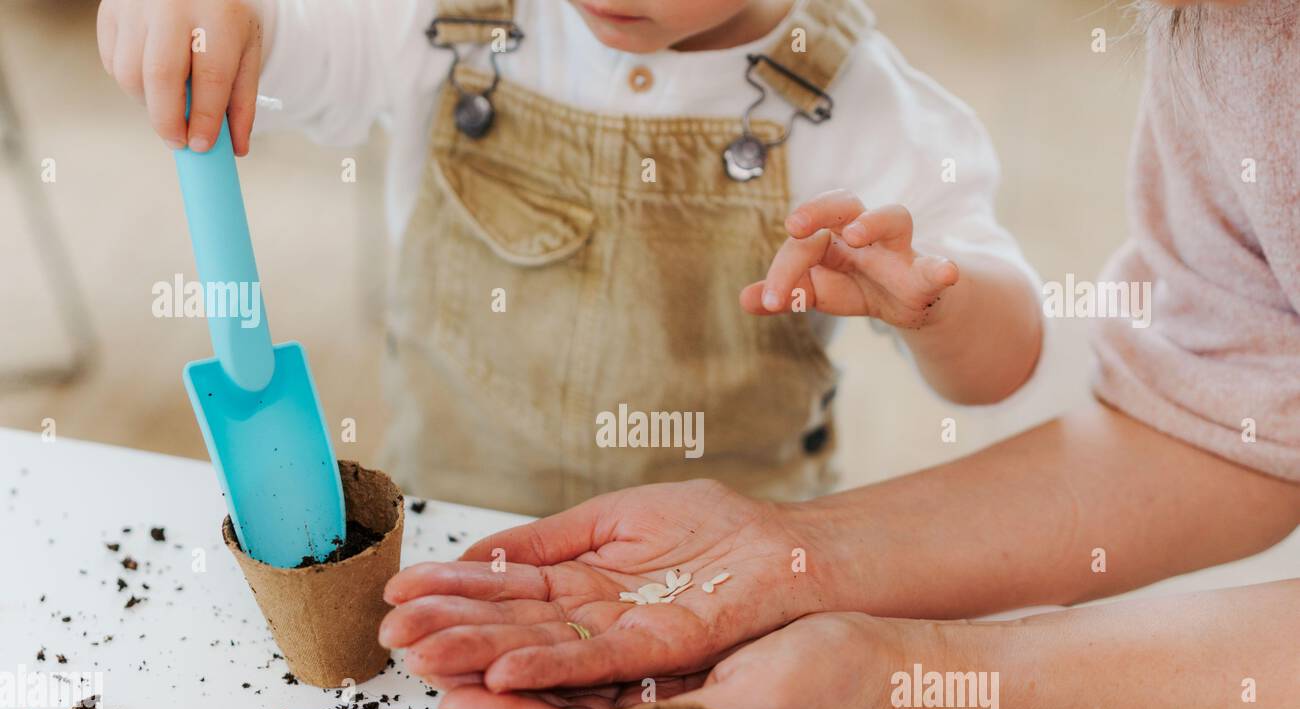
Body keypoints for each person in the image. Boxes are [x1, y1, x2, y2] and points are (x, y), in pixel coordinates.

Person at [379, 0, 1300, 709]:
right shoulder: (1227, 31)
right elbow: (1226, 413)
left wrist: (908, 674)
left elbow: (999, 353)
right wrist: (810, 568)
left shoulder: (859, 103)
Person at [97, 0, 1042, 516]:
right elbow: (280, 36)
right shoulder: (441, 18)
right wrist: (213, 17)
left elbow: (1002, 361)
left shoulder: (861, 104)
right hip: (457, 534)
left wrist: (940, 309)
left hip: (724, 579)